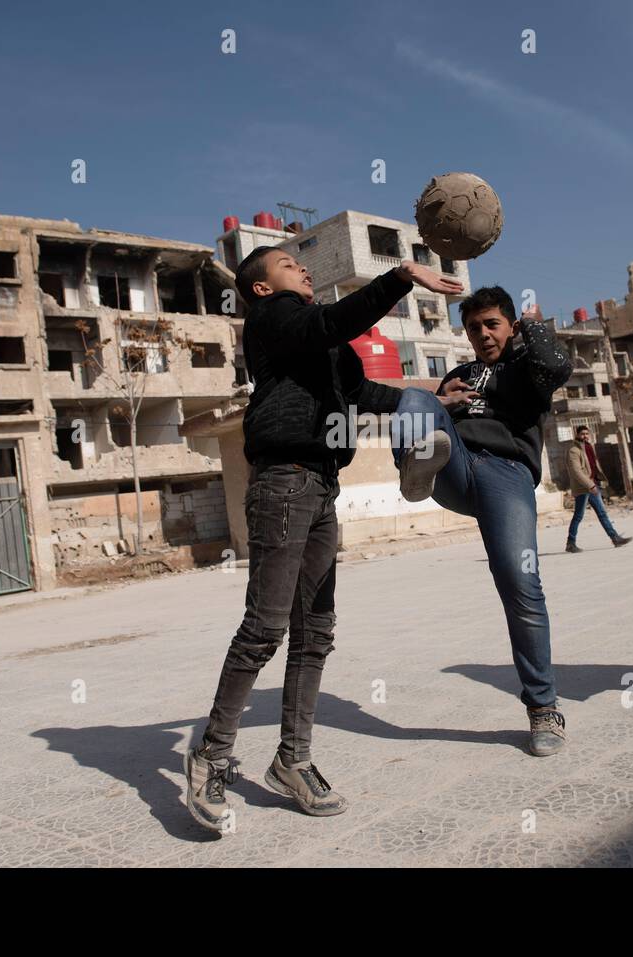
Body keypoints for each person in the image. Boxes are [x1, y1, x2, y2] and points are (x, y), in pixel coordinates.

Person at [184, 246, 463, 833]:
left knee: (316, 633)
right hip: (282, 484)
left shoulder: (321, 341)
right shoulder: (274, 318)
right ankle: (210, 754)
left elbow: (361, 392)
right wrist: (401, 277)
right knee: (265, 629)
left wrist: (432, 399)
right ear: (262, 288)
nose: (303, 269)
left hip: (320, 487)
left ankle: (292, 759)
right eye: (289, 265)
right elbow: (333, 321)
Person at [389, 286, 574, 756]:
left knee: (520, 582)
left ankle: (543, 708)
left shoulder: (527, 367)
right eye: (473, 328)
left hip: (505, 475)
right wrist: (442, 402)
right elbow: (424, 405)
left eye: (492, 324)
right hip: (453, 465)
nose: (483, 334)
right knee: (416, 396)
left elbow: (557, 367)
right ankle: (412, 466)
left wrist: (534, 327)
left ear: (511, 325)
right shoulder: (459, 375)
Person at [565, 424, 632, 551]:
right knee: (578, 516)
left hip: (592, 485)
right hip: (583, 488)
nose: (585, 436)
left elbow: (593, 465)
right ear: (577, 435)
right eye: (582, 434)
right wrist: (590, 485)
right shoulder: (574, 450)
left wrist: (598, 480)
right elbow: (576, 471)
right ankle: (570, 543)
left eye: (586, 434)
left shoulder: (588, 447)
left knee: (602, 513)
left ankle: (615, 538)